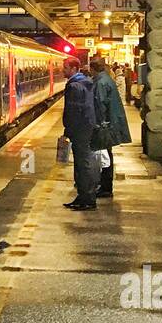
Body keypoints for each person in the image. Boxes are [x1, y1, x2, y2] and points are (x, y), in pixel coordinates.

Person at [61, 57, 101, 210]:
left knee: (82, 164)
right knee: (82, 162)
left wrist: (68, 130)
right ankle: (83, 196)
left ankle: (88, 199)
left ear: (73, 69)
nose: (62, 70)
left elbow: (75, 111)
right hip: (85, 128)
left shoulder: (75, 86)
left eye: (65, 67)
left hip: (80, 129)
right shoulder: (84, 82)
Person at [90, 58, 132, 198]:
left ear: (93, 69)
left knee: (104, 156)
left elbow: (100, 105)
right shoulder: (106, 79)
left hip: (105, 126)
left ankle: (106, 187)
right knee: (106, 154)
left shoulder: (101, 83)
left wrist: (97, 124)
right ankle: (105, 185)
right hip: (110, 123)